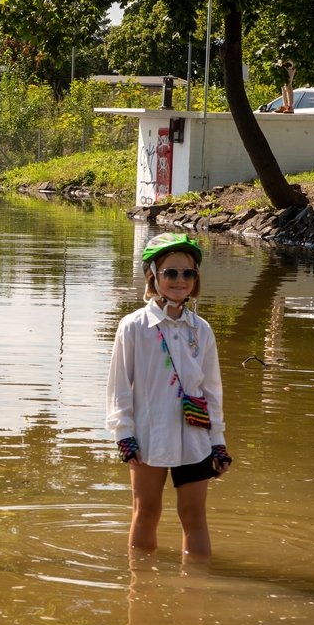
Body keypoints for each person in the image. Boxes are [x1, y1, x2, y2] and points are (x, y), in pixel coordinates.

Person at [106, 233, 232, 559]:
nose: (180, 280)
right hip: (149, 436)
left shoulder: (201, 329)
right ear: (153, 275)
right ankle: (141, 591)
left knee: (194, 517)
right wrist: (124, 435)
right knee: (146, 512)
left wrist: (218, 442)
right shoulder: (133, 327)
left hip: (196, 437)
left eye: (188, 273)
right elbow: (119, 386)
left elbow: (212, 390)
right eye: (171, 273)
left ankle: (196, 594)